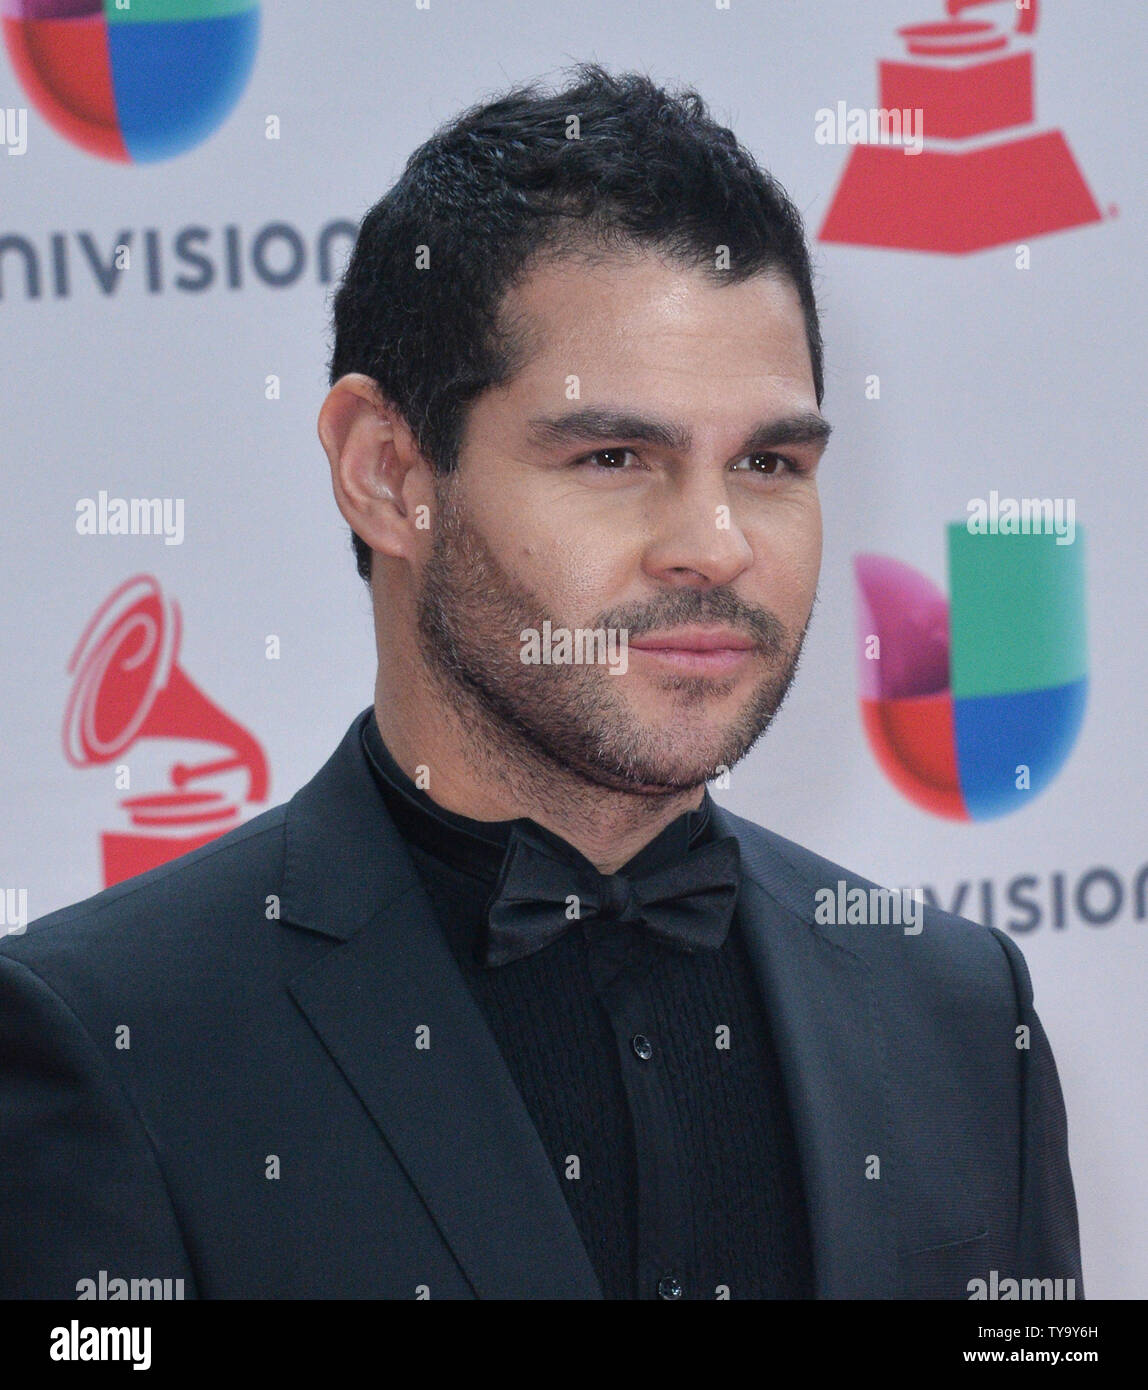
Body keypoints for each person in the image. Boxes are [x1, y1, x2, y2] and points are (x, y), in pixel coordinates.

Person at [0, 64, 1081, 1300]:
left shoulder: (949, 1006)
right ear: (388, 471)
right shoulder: (113, 1038)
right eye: (616, 454)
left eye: (770, 461)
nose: (718, 544)